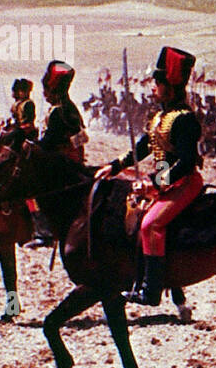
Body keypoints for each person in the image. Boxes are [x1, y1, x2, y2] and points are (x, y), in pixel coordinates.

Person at [96, 47, 202, 306]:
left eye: (158, 83)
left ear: (171, 86)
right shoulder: (160, 117)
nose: (153, 87)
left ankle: (151, 291)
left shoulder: (185, 119)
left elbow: (186, 163)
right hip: (165, 182)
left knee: (150, 225)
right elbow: (142, 148)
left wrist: (154, 182)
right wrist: (115, 166)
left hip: (184, 182)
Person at [26, 61, 87, 248]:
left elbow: (48, 143)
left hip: (59, 162)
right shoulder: (70, 107)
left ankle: (43, 231)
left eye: (46, 91)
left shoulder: (58, 112)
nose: (44, 95)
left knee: (30, 188)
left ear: (54, 90)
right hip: (71, 158)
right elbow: (82, 137)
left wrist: (31, 145)